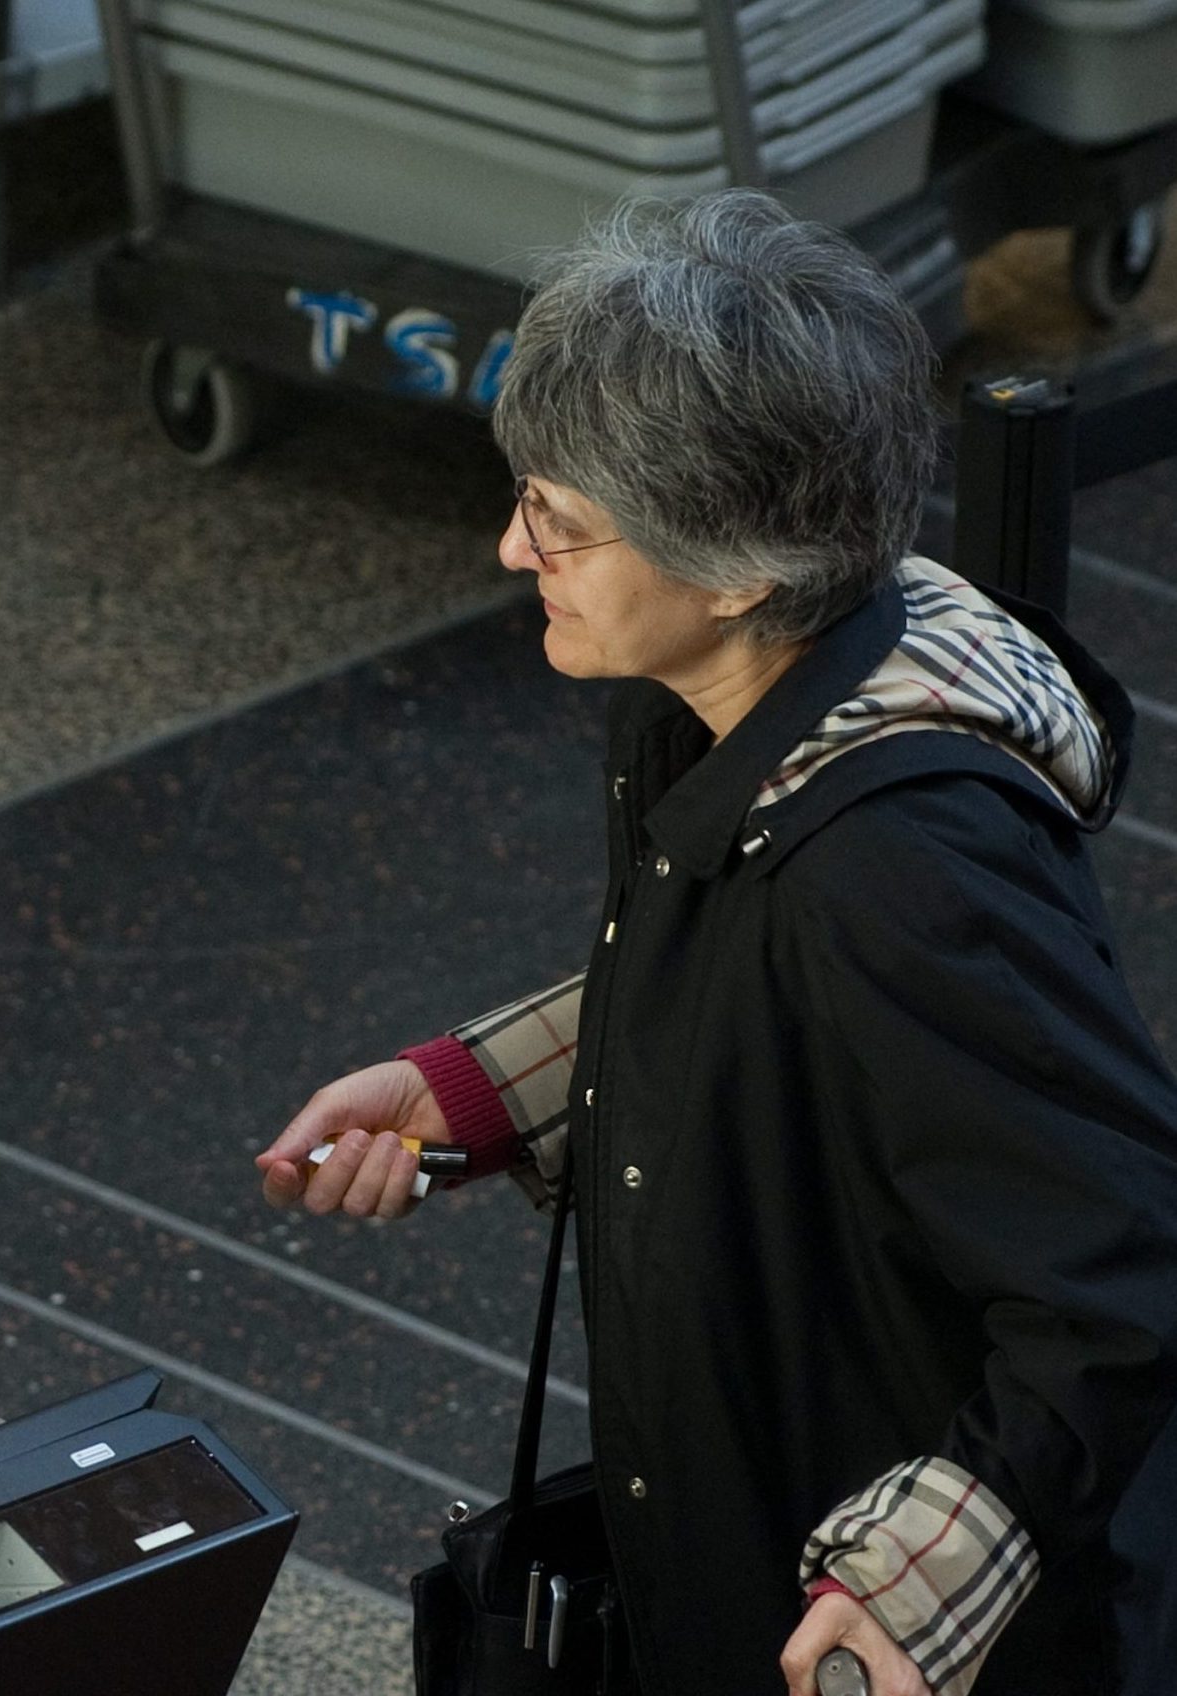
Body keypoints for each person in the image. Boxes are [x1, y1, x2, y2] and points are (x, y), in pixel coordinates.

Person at [253, 191, 1177, 1696]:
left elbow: (1124, 1262)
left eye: (556, 523)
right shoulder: (704, 704)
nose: (507, 549)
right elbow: (749, 984)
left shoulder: (903, 868)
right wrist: (480, 1094)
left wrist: (908, 1588)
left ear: (739, 566)